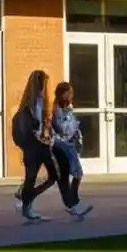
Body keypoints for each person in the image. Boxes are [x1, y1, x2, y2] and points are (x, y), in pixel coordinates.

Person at [13, 70, 73, 221]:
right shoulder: (29, 105)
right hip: (34, 146)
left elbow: (43, 124)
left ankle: (26, 198)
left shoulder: (41, 101)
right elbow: (32, 126)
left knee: (52, 176)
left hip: (42, 145)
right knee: (31, 178)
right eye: (44, 83)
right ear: (39, 84)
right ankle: (27, 206)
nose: (46, 86)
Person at [51, 82, 93, 218]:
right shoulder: (57, 110)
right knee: (70, 175)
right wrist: (69, 115)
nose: (71, 96)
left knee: (72, 175)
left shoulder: (66, 109)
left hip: (69, 146)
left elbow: (72, 126)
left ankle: (73, 204)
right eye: (68, 93)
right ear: (62, 94)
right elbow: (63, 128)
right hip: (62, 146)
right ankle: (73, 204)